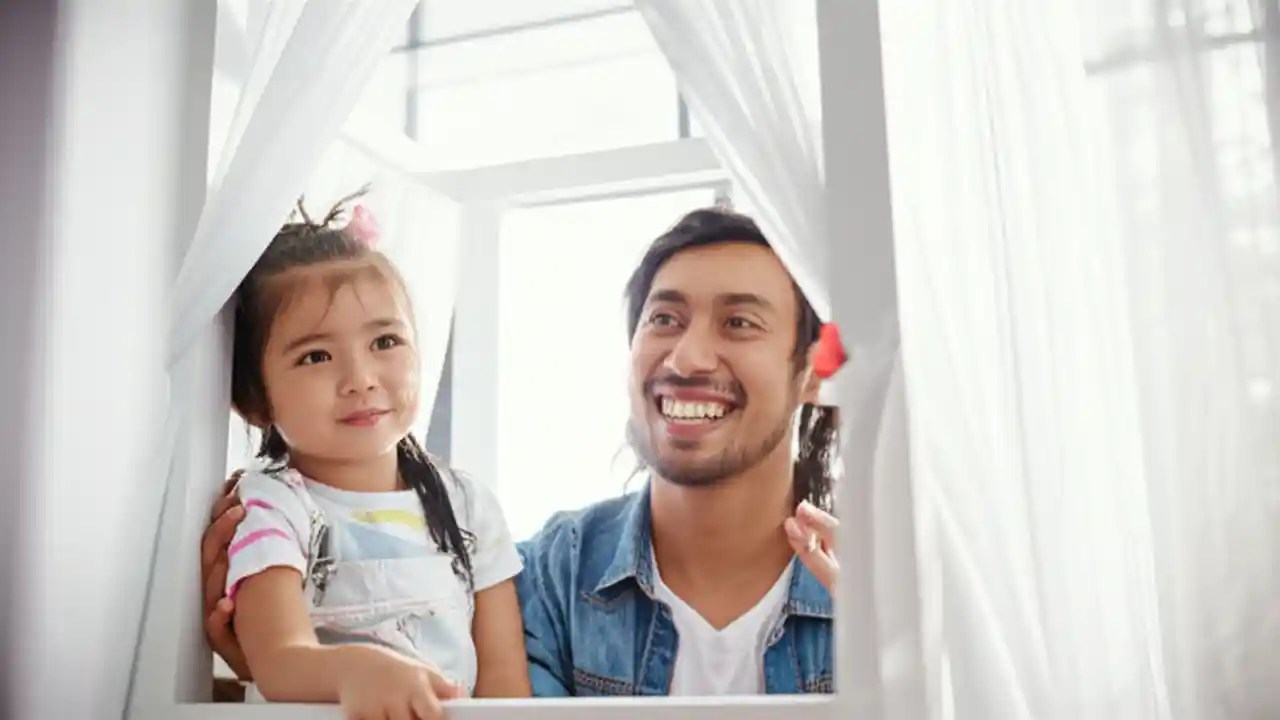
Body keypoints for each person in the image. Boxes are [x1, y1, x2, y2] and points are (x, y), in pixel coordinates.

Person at [202, 207, 842, 698]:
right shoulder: (550, 580)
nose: (688, 357)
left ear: (816, 368)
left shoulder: (874, 586)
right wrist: (289, 666)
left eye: (740, 322)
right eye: (664, 320)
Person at [211, 195, 529, 719]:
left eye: (385, 341)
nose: (361, 378)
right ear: (253, 398)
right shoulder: (269, 506)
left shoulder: (470, 506)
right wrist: (356, 671)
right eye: (316, 356)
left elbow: (503, 685)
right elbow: (276, 659)